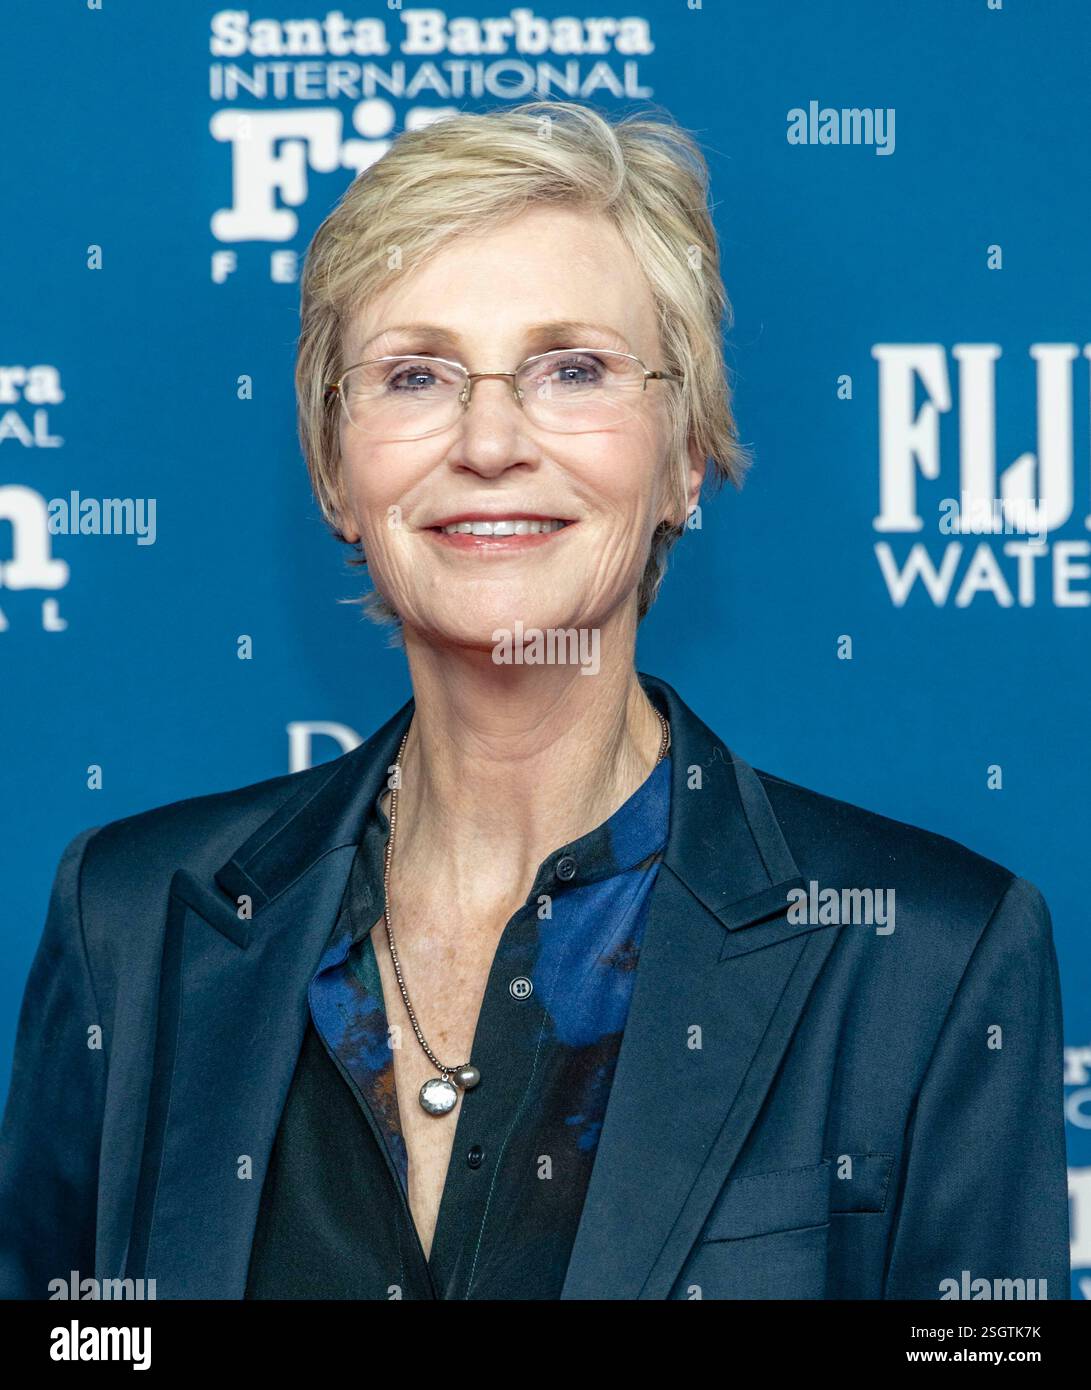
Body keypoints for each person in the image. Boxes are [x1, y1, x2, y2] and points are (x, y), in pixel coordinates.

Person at [0, 100, 1070, 1301]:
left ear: (682, 457)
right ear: (335, 468)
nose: (490, 438)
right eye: (416, 374)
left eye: (572, 368)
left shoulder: (924, 956)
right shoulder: (136, 922)